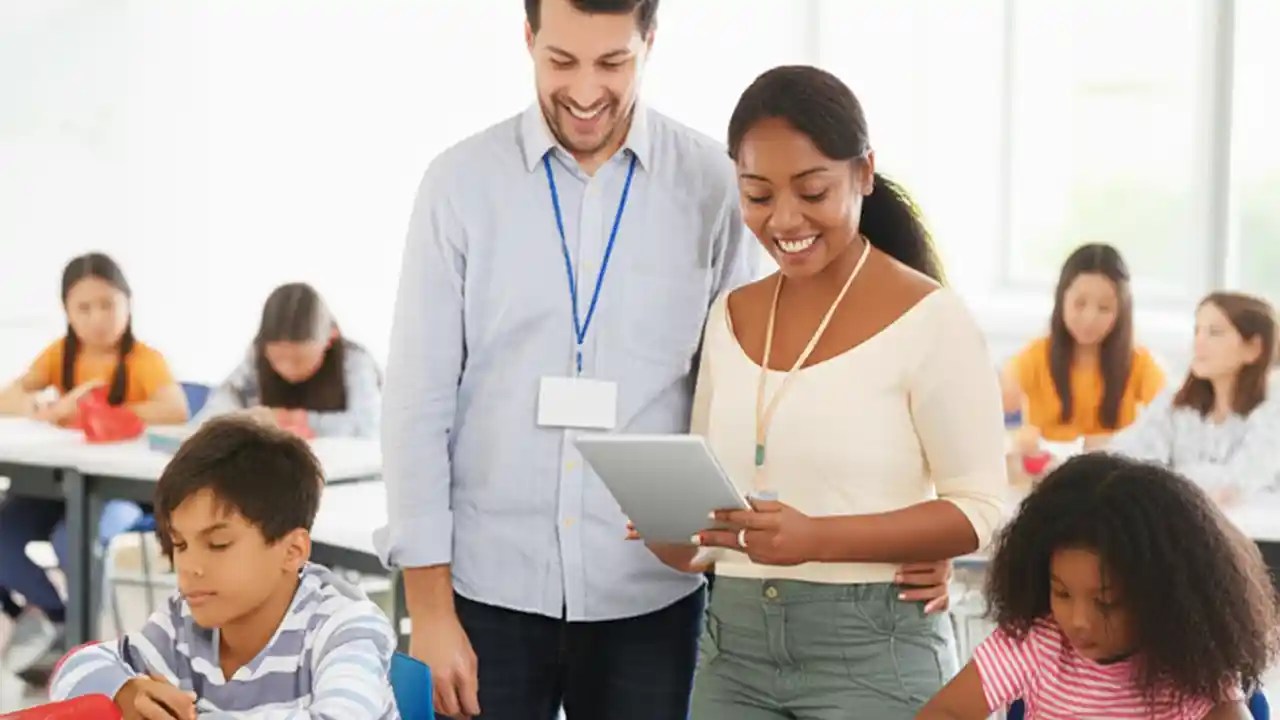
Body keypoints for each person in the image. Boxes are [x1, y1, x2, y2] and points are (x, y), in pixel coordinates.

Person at [375, 2, 952, 717]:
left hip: (655, 598)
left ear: (650, 41)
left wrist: (911, 527)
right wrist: (429, 611)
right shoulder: (459, 186)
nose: (586, 91)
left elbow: (778, 390)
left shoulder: (716, 183)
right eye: (562, 61)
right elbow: (416, 403)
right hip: (485, 593)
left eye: (613, 63)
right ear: (528, 40)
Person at [630, 64, 1007, 718]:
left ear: (863, 172)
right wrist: (670, 527)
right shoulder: (730, 316)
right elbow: (701, 545)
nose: (784, 219)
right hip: (735, 647)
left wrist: (818, 538)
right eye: (757, 193)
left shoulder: (932, 319)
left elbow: (979, 509)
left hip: (874, 651)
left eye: (811, 190)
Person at [49, 416, 399, 719]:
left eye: (218, 545)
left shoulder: (345, 625)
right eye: (180, 545)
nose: (190, 567)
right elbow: (73, 670)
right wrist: (126, 690)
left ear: (292, 551)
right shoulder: (181, 623)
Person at [916, 453, 1280, 719]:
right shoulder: (1036, 642)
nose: (1078, 621)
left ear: (1159, 598)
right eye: (1061, 593)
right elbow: (945, 712)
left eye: (1106, 603)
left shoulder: (1189, 668)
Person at [0, 252, 189, 676]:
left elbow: (176, 409)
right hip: (58, 485)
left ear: (128, 303)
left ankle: (83, 648)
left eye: (107, 304)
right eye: (83, 308)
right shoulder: (59, 355)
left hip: (119, 492)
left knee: (75, 540)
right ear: (67, 311)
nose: (97, 318)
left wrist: (99, 411)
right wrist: (41, 406)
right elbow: (7, 396)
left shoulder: (144, 360)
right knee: (4, 533)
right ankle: (58, 620)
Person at [1109, 292, 1280, 503]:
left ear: (1254, 348)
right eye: (1197, 331)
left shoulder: (1273, 406)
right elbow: (1127, 460)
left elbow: (1239, 483)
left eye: (1214, 333)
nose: (1198, 343)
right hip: (1181, 525)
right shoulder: (1175, 402)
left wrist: (1173, 475)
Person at [1001, 244, 1165, 451]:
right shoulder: (1034, 358)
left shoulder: (1140, 363)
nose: (1090, 318)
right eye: (1079, 304)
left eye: (1104, 308)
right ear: (1061, 299)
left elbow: (1169, 417)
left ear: (1121, 310)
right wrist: (1020, 434)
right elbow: (1000, 411)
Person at [197, 282, 382, 438]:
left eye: (299, 360)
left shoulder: (354, 362)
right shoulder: (255, 359)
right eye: (277, 358)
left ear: (330, 338)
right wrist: (249, 420)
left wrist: (303, 421)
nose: (287, 369)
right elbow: (213, 412)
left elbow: (370, 426)